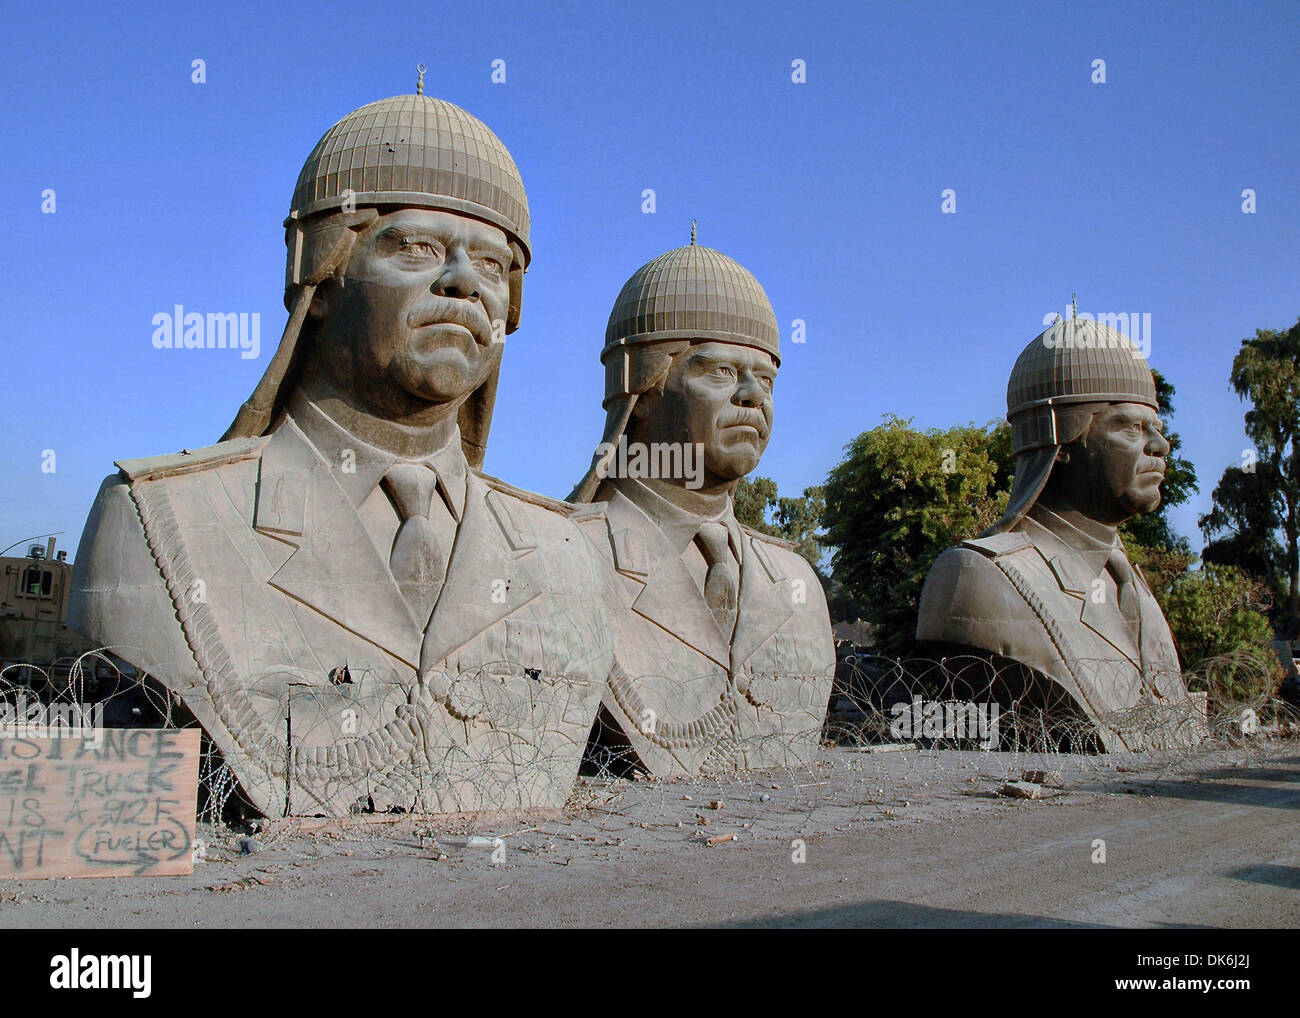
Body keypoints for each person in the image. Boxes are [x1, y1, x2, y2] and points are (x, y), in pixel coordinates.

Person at [70, 89, 614, 816]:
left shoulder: (564, 552)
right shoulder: (157, 521)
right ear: (320, 277)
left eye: (490, 263)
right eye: (414, 247)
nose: (462, 282)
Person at [570, 236, 835, 775]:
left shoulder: (796, 581)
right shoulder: (564, 555)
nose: (753, 397)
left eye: (766, 379)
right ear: (639, 389)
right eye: (719, 371)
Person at [916, 316, 1195, 750]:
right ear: (1059, 441)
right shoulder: (978, 575)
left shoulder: (1133, 587)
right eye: (1130, 427)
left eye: (1156, 427)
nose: (1159, 445)